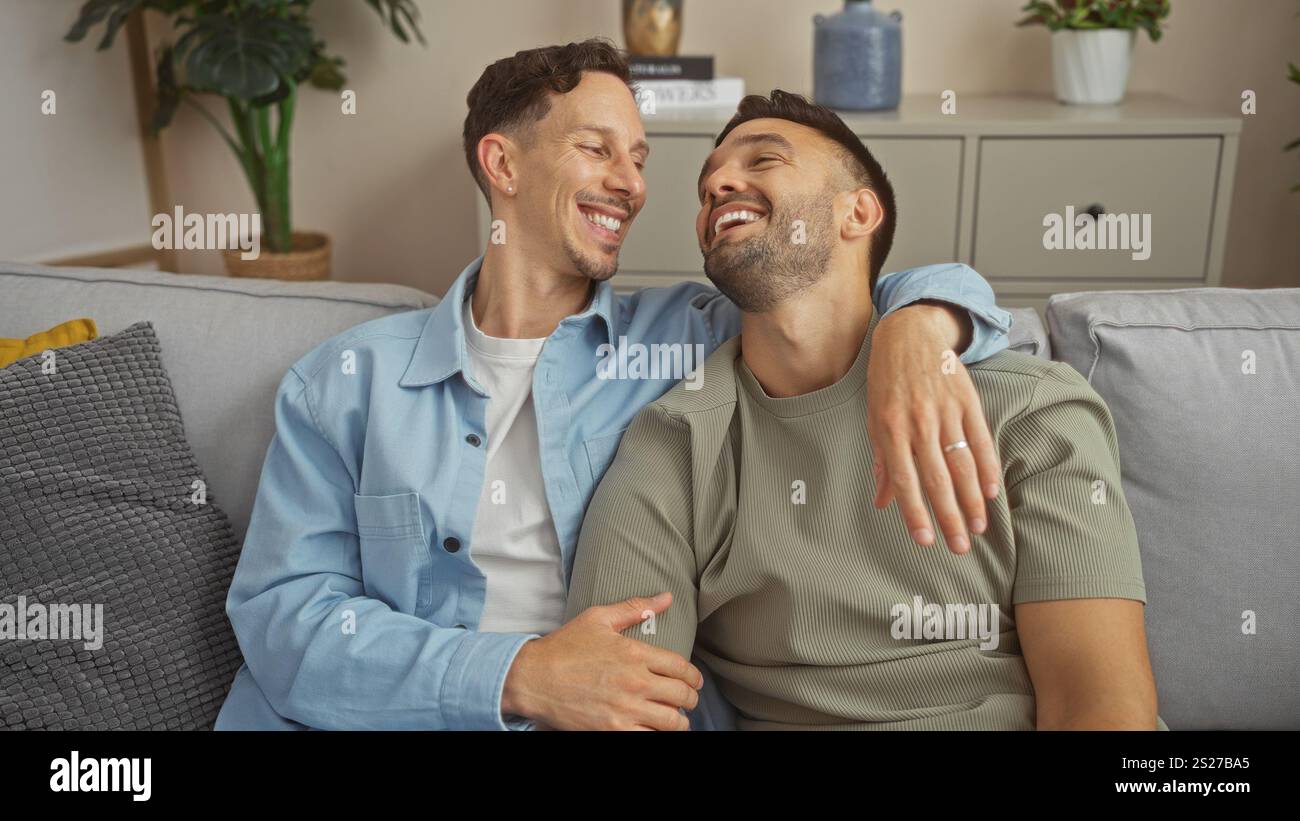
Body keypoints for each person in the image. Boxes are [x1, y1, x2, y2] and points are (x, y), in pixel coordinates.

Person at [215, 41, 1013, 731]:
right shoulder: (347, 383)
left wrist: (922, 326)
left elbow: (835, 287)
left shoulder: (689, 336)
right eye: (597, 149)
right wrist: (519, 673)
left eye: (639, 159)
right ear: (502, 164)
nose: (630, 185)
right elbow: (285, 623)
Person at [567, 90, 1162, 730]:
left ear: (859, 212)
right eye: (707, 186)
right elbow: (623, 699)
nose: (718, 184)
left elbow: (1099, 707)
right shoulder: (675, 444)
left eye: (764, 160)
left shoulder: (1032, 411)